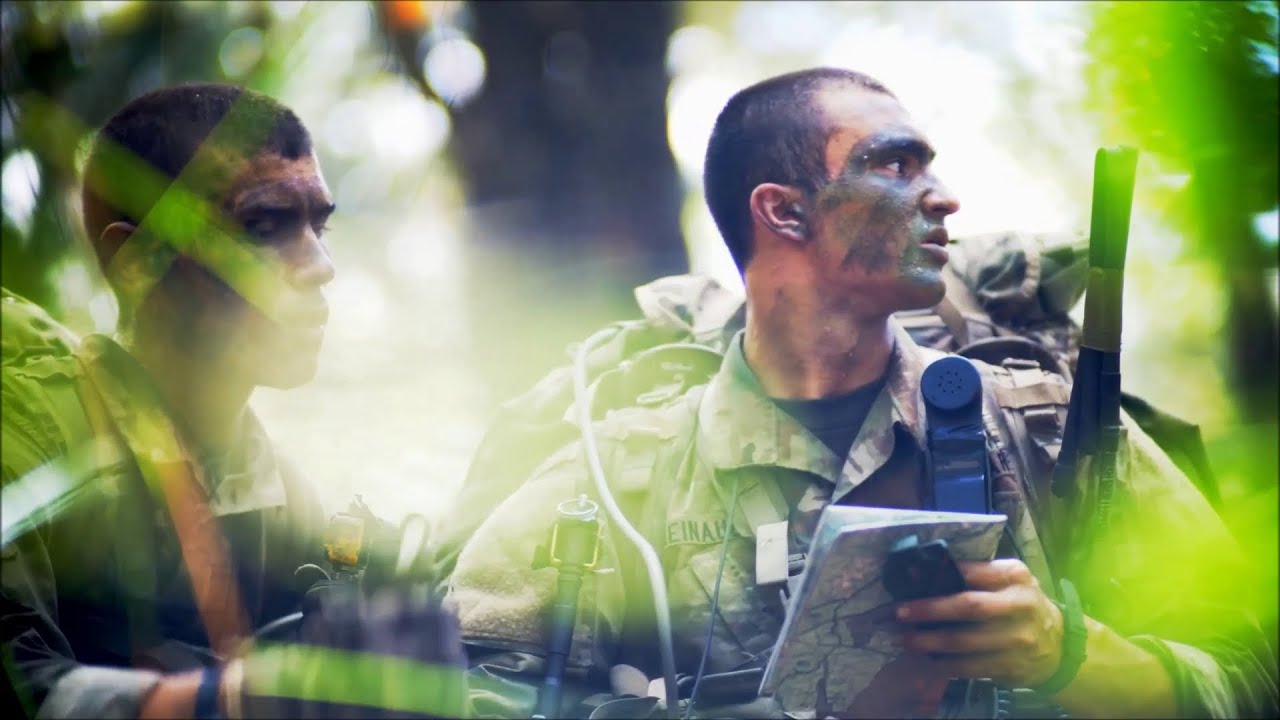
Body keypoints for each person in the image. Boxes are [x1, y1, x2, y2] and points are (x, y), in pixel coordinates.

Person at [444, 68, 1276, 718]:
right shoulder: (623, 473)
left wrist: (1065, 655)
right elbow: (451, 691)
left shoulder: (1046, 428)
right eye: (894, 164)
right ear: (784, 212)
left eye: (931, 167)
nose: (942, 197)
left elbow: (1254, 678)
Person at [1, 84, 464, 719]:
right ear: (132, 260)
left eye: (319, 226)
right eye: (265, 226)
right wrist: (244, 700)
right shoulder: (28, 438)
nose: (321, 266)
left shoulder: (273, 485)